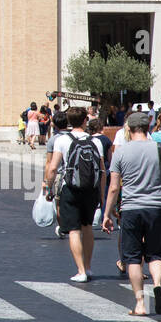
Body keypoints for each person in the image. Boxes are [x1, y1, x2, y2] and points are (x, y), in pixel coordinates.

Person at [102, 113, 161, 316]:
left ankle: (140, 304)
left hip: (130, 209)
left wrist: (107, 213)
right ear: (149, 127)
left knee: (133, 258)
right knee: (155, 254)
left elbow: (113, 187)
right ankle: (157, 283)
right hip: (156, 209)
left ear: (128, 128)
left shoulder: (120, 152)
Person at [45, 106, 105, 283]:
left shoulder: (62, 141)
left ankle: (80, 271)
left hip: (70, 188)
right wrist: (101, 195)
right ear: (86, 121)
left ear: (69, 122)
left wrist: (49, 187)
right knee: (87, 227)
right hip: (91, 190)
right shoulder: (96, 141)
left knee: (73, 230)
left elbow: (53, 167)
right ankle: (88, 266)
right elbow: (102, 170)